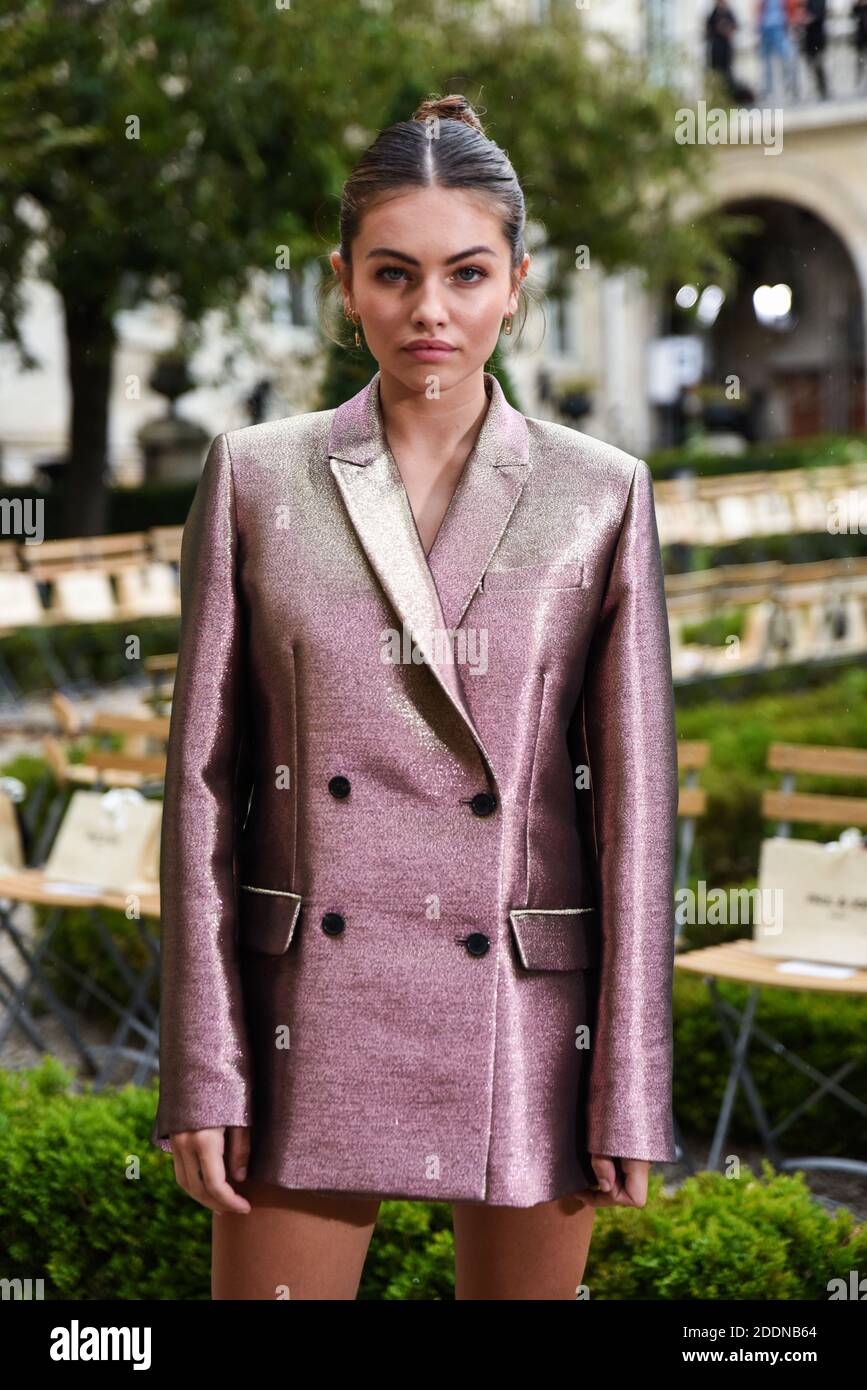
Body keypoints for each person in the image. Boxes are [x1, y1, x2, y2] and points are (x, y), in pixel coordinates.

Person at [149, 93, 679, 1301]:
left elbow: (636, 806)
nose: (429, 312)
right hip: (310, 1009)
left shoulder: (600, 491)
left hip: (529, 1009)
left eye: (465, 273)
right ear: (344, 282)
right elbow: (199, 787)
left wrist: (631, 1073)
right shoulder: (255, 472)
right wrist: (206, 1068)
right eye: (393, 274)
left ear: (516, 280)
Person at [757, 0, 803, 98]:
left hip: (780, 28)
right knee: (766, 63)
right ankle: (769, 90)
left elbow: (795, 8)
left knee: (788, 59)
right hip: (766, 29)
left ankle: (790, 87)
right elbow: (759, 10)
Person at [707, 1, 740, 97]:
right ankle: (717, 95)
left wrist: (727, 28)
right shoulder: (713, 14)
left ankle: (728, 96)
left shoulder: (728, 13)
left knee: (727, 73)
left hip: (726, 48)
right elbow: (708, 30)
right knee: (716, 73)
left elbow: (736, 26)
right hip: (716, 48)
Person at [801, 0, 829, 98]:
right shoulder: (808, 2)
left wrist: (807, 19)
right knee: (812, 64)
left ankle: (823, 89)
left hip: (818, 37)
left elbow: (819, 14)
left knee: (819, 64)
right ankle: (817, 89)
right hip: (809, 39)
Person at [853, 0, 867, 86]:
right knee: (860, 60)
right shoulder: (858, 6)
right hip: (861, 37)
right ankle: (860, 80)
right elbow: (854, 13)